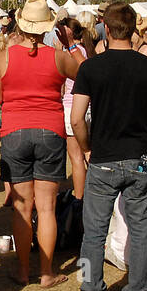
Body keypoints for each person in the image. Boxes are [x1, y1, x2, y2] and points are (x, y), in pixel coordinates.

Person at [70, 2, 147, 291]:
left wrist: (86, 147)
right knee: (142, 230)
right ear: (134, 28)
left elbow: (77, 118)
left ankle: (90, 290)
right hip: (139, 157)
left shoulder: (91, 67)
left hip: (103, 157)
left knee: (94, 230)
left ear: (105, 26)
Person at [0, 0, 80, 288]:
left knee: (22, 207)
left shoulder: (4, 57)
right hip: (51, 130)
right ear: (45, 27)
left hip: (14, 132)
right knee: (47, 208)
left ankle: (24, 270)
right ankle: (47, 272)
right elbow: (85, 75)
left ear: (20, 23)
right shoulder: (58, 56)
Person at [53, 15, 94, 200]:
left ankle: (79, 198)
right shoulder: (85, 50)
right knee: (86, 154)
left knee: (77, 158)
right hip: (88, 108)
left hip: (72, 108)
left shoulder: (71, 52)